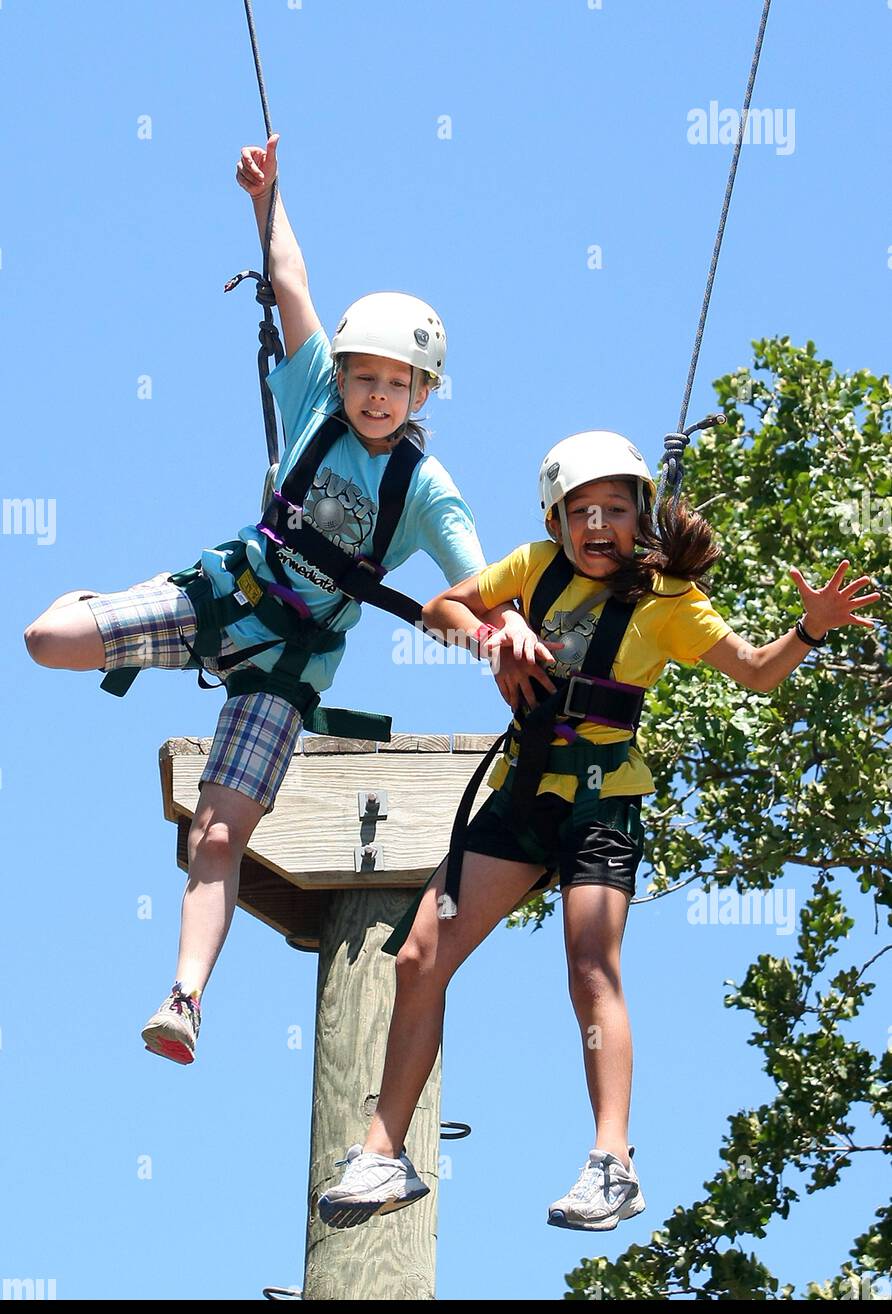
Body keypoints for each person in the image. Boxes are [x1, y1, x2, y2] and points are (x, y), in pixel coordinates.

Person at [21, 132, 523, 1065]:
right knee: (47, 639)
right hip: (224, 596)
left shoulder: (424, 488)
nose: (376, 396)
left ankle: (184, 997)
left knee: (221, 829)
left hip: (287, 666)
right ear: (343, 375)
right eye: (364, 377)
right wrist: (267, 200)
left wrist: (509, 632)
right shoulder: (312, 401)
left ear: (422, 393)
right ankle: (110, 603)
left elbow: (479, 583)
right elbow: (291, 282)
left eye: (395, 385)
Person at [316, 429, 879, 1232]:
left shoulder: (668, 604)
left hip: (600, 801)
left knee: (591, 968)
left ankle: (612, 1162)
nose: (598, 525)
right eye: (581, 511)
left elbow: (756, 672)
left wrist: (811, 627)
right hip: (521, 794)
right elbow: (444, 606)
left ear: (641, 517)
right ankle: (382, 1155)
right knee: (419, 955)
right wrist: (494, 634)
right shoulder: (532, 569)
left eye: (616, 509)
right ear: (556, 522)